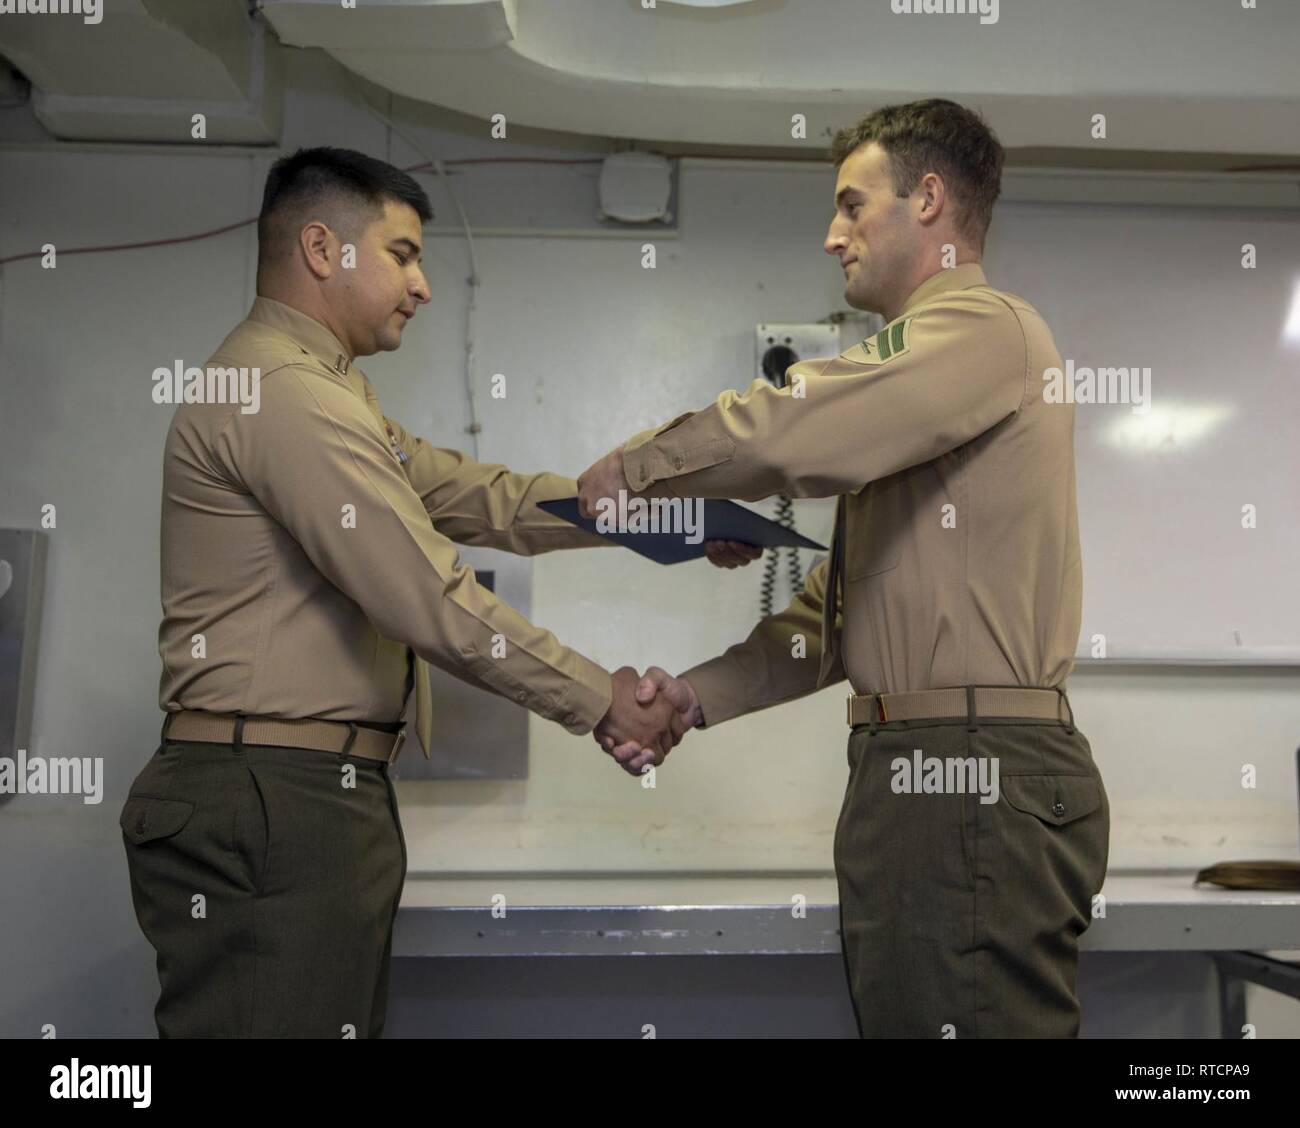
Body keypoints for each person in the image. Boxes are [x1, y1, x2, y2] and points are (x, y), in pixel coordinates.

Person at [120, 146, 754, 1038]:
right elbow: (425, 590)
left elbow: (475, 496)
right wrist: (600, 699)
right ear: (320, 248)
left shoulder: (331, 394)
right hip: (273, 795)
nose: (422, 285)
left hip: (300, 789)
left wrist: (662, 517)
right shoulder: (283, 392)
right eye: (403, 253)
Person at [577, 99, 1110, 1038]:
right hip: (926, 769)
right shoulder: (920, 396)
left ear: (930, 200)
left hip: (966, 771)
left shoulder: (983, 329)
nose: (833, 236)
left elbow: (799, 423)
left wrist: (642, 467)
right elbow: (833, 623)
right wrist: (693, 698)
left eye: (852, 205)